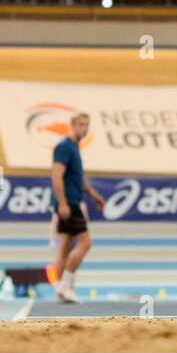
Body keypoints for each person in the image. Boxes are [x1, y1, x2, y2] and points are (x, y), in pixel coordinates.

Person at [51, 113, 106, 304]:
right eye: (81, 124)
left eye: (87, 125)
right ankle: (65, 286)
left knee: (65, 247)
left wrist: (93, 194)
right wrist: (63, 203)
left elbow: (78, 177)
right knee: (85, 243)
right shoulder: (64, 147)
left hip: (73, 200)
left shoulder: (75, 148)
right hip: (70, 203)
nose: (84, 128)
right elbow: (56, 175)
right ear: (72, 125)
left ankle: (61, 289)